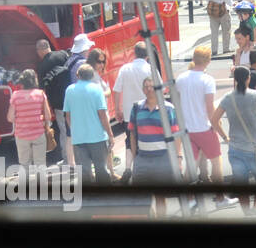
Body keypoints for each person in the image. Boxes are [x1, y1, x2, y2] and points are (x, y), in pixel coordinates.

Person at [175, 47, 237, 207]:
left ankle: (189, 199)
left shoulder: (180, 79)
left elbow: (178, 104)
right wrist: (220, 131)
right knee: (216, 162)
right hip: (204, 127)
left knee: (191, 166)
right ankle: (220, 198)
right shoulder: (207, 80)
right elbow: (210, 109)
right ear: (208, 61)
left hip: (187, 129)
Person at [127, 76, 179, 213]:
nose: (149, 89)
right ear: (143, 90)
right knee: (142, 198)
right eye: (146, 87)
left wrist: (178, 157)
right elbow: (132, 133)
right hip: (142, 159)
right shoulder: (137, 107)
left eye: (152, 86)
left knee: (160, 197)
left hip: (162, 158)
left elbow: (176, 135)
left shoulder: (168, 108)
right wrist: (135, 156)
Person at [62, 64, 113, 185]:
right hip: (97, 137)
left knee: (84, 173)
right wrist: (110, 134)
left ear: (77, 75)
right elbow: (102, 115)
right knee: (101, 169)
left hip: (79, 138)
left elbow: (67, 115)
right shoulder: (97, 90)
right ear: (92, 76)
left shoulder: (69, 90)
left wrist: (74, 130)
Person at [111, 42, 152, 180]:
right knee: (147, 141)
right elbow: (159, 89)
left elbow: (117, 90)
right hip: (147, 112)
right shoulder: (150, 69)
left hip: (129, 113)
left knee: (130, 141)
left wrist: (117, 109)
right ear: (147, 55)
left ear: (134, 53)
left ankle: (128, 168)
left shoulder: (125, 69)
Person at [34, 39, 73, 164]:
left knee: (64, 130)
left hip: (58, 103)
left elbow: (41, 89)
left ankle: (67, 159)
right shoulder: (63, 54)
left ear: (40, 51)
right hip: (72, 97)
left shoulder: (42, 66)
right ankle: (80, 156)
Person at [7, 68, 53, 171]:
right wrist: (40, 119)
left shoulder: (16, 95)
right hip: (38, 133)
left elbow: (10, 118)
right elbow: (48, 116)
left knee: (24, 164)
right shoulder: (40, 94)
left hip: (21, 135)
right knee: (40, 163)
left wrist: (22, 119)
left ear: (22, 80)